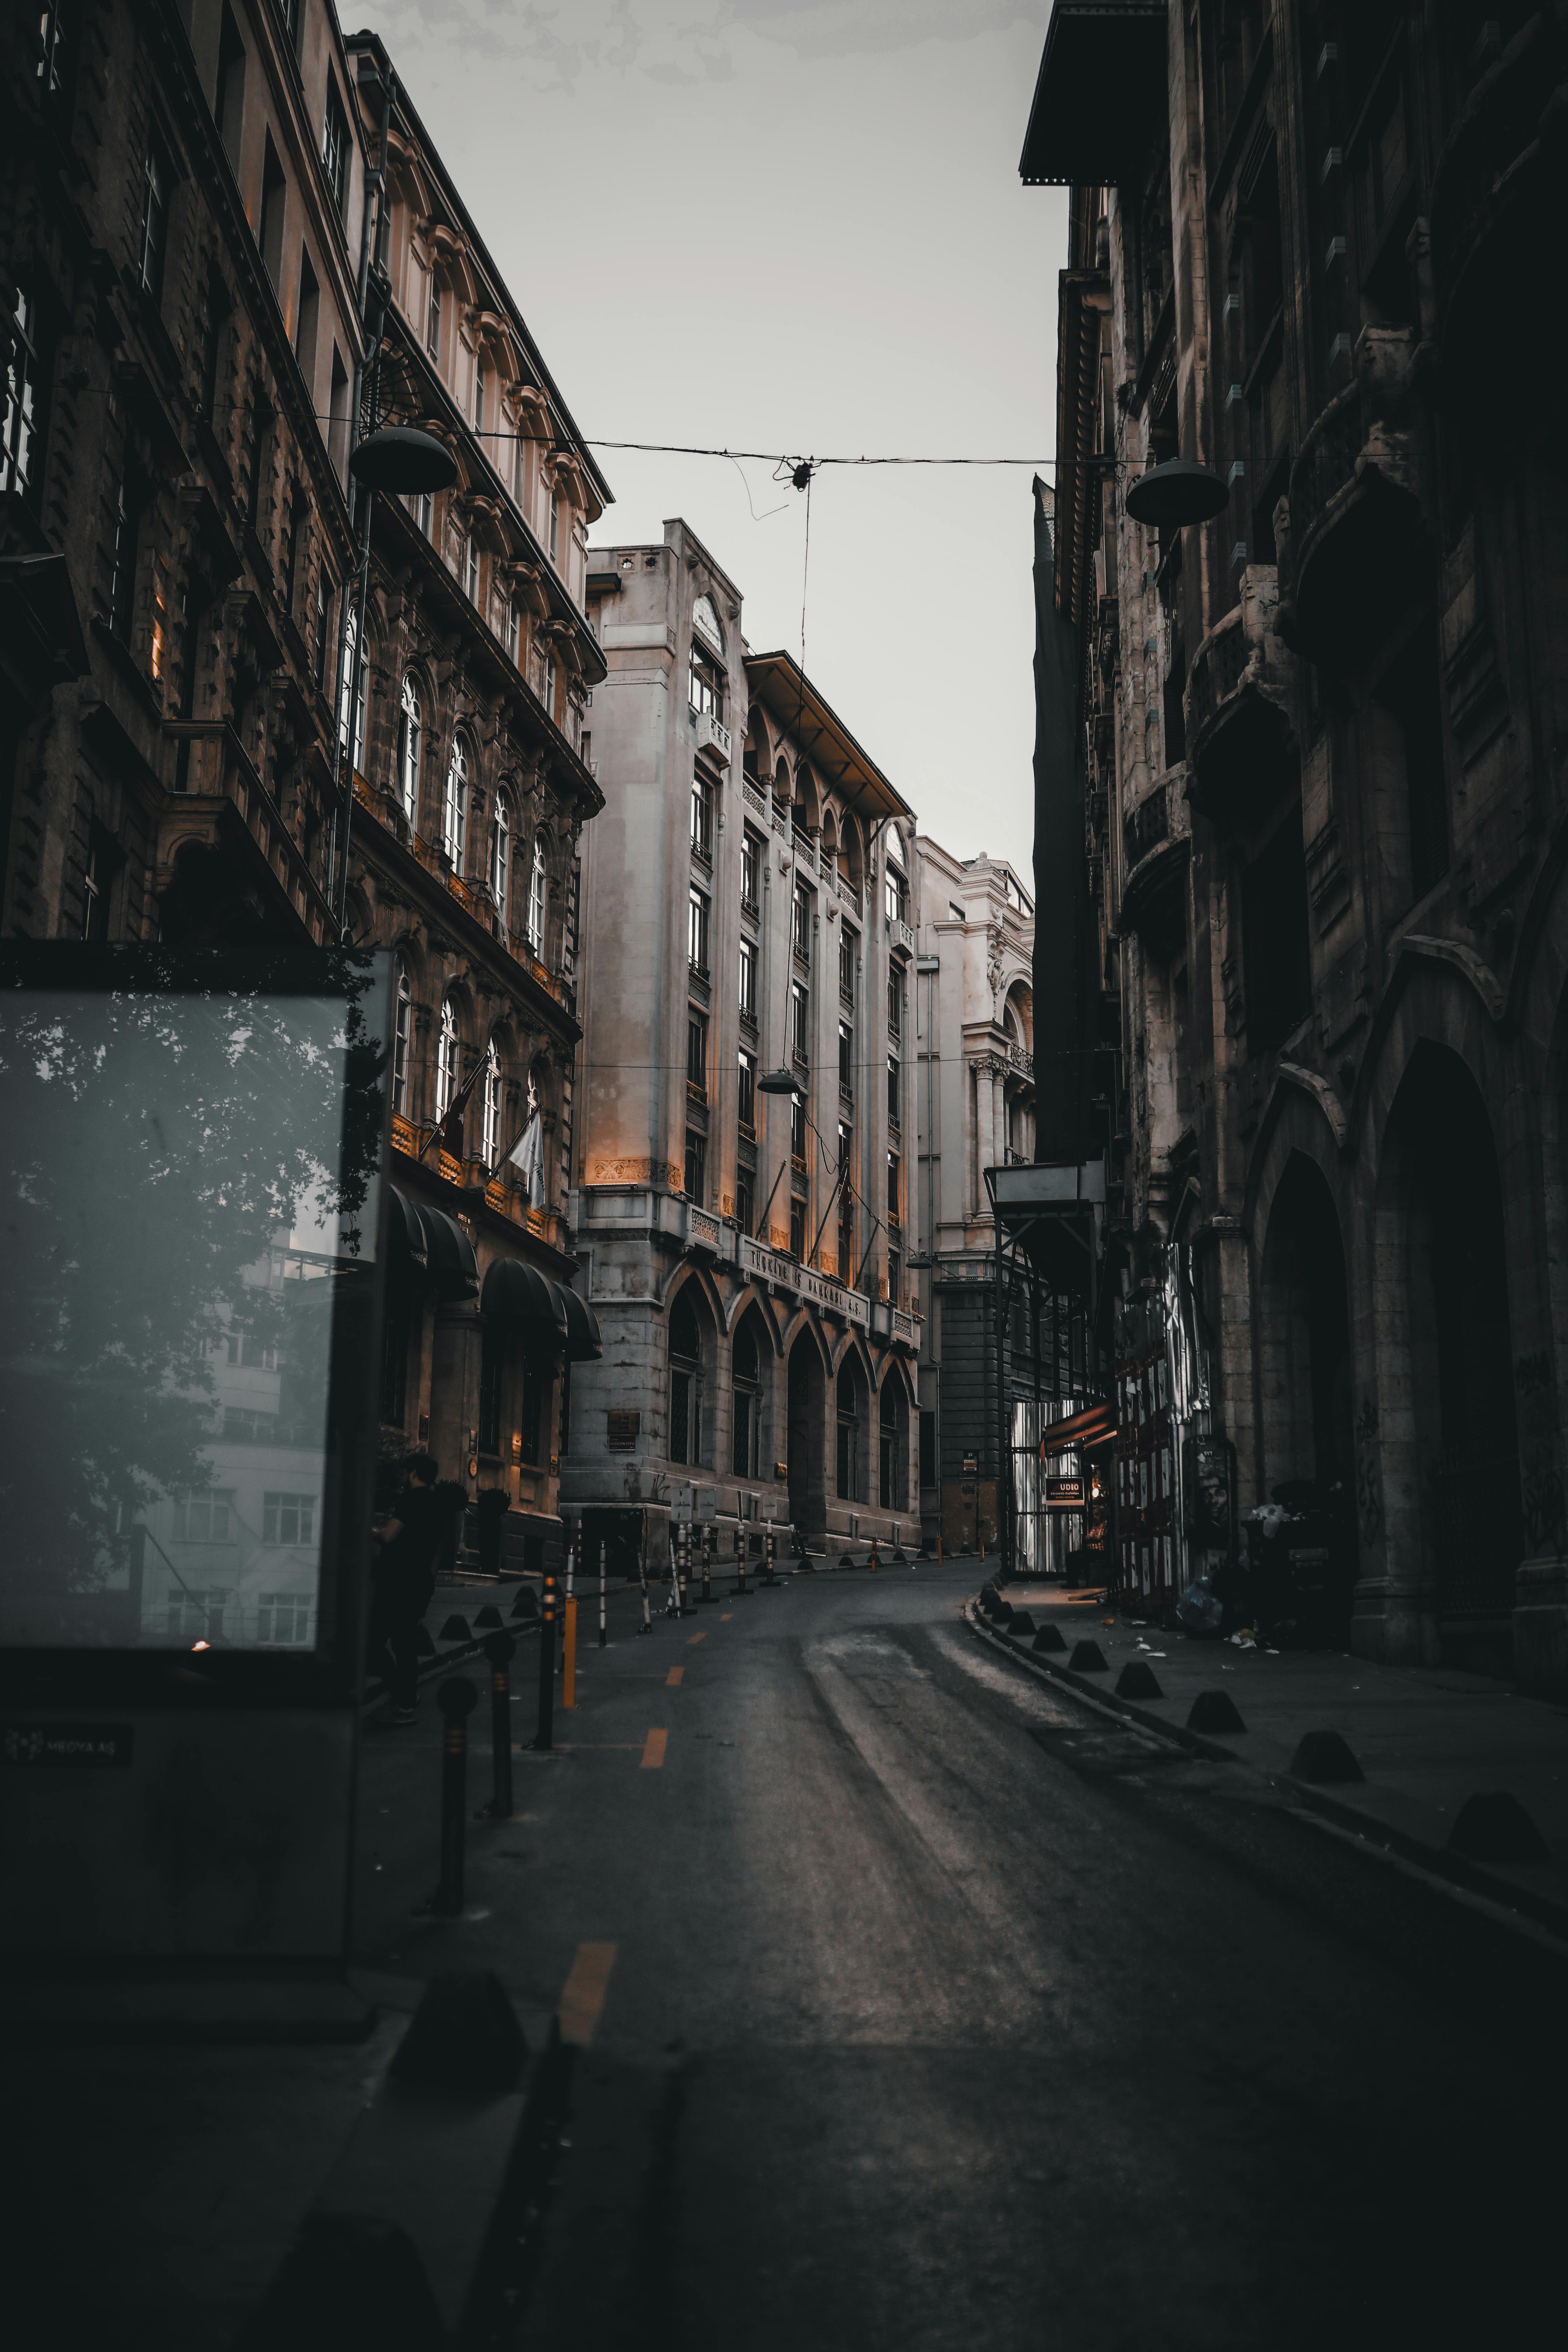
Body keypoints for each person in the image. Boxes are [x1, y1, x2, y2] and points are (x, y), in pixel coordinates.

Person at [368, 1451, 443, 1723]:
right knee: (404, 1645)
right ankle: (407, 1699)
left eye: (405, 1472)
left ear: (412, 1473)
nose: (403, 1477)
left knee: (372, 1643)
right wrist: (429, 1584)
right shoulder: (437, 1504)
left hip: (396, 1584)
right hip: (419, 1584)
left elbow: (389, 1536)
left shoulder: (411, 1499)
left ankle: (404, 1697)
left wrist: (368, 1531)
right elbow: (437, 1551)